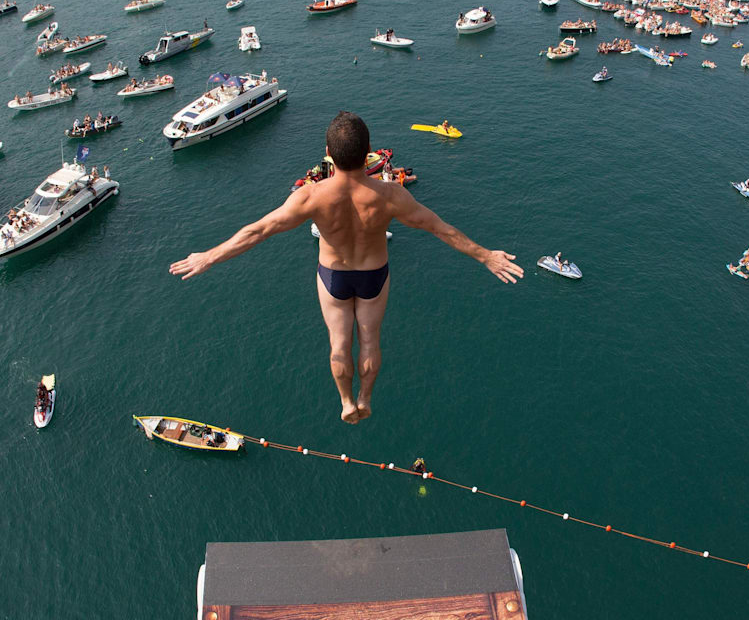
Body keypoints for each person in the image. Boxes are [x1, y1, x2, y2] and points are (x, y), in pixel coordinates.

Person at [171, 111, 521, 423]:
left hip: (334, 276)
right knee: (369, 341)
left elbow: (258, 231)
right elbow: (439, 228)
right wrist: (485, 255)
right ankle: (366, 398)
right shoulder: (390, 195)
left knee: (339, 345)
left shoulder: (311, 196)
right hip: (373, 275)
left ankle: (346, 402)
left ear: (329, 155)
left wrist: (209, 256)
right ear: (367, 151)